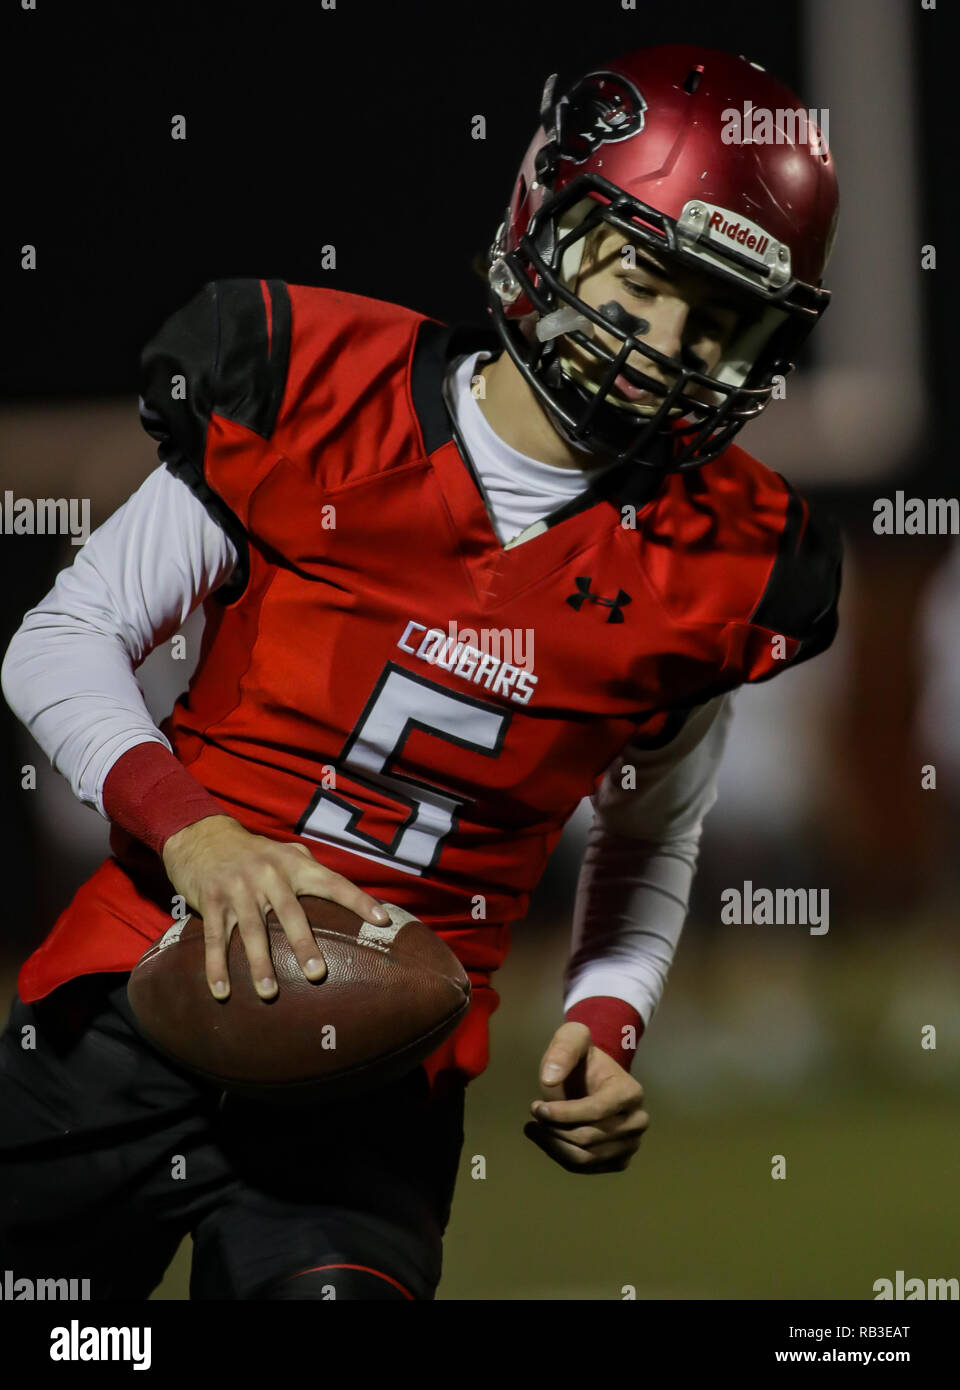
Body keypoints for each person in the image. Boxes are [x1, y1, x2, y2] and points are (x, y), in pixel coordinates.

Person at [0, 45, 841, 1301]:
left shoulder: (720, 563)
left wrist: (609, 1023)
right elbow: (61, 636)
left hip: (374, 1091)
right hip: (135, 998)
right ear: (547, 214)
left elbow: (650, 834)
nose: (671, 339)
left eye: (724, 316)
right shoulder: (312, 391)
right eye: (651, 275)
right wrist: (197, 838)